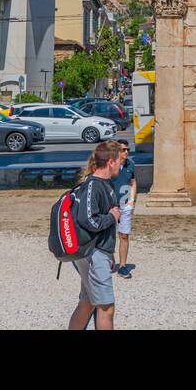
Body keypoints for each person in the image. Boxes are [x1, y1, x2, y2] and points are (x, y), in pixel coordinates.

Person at [68, 141, 121, 331]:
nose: (121, 165)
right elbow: (88, 220)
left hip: (100, 252)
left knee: (88, 302)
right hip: (92, 253)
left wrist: (110, 253)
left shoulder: (106, 184)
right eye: (119, 161)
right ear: (111, 162)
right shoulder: (93, 185)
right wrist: (112, 217)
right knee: (106, 307)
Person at [111, 138, 137, 277]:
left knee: (124, 235)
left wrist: (132, 201)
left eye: (128, 149)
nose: (126, 152)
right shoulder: (109, 165)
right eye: (123, 150)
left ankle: (122, 266)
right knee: (108, 236)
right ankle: (110, 260)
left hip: (125, 205)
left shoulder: (130, 165)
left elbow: (133, 183)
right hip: (109, 207)